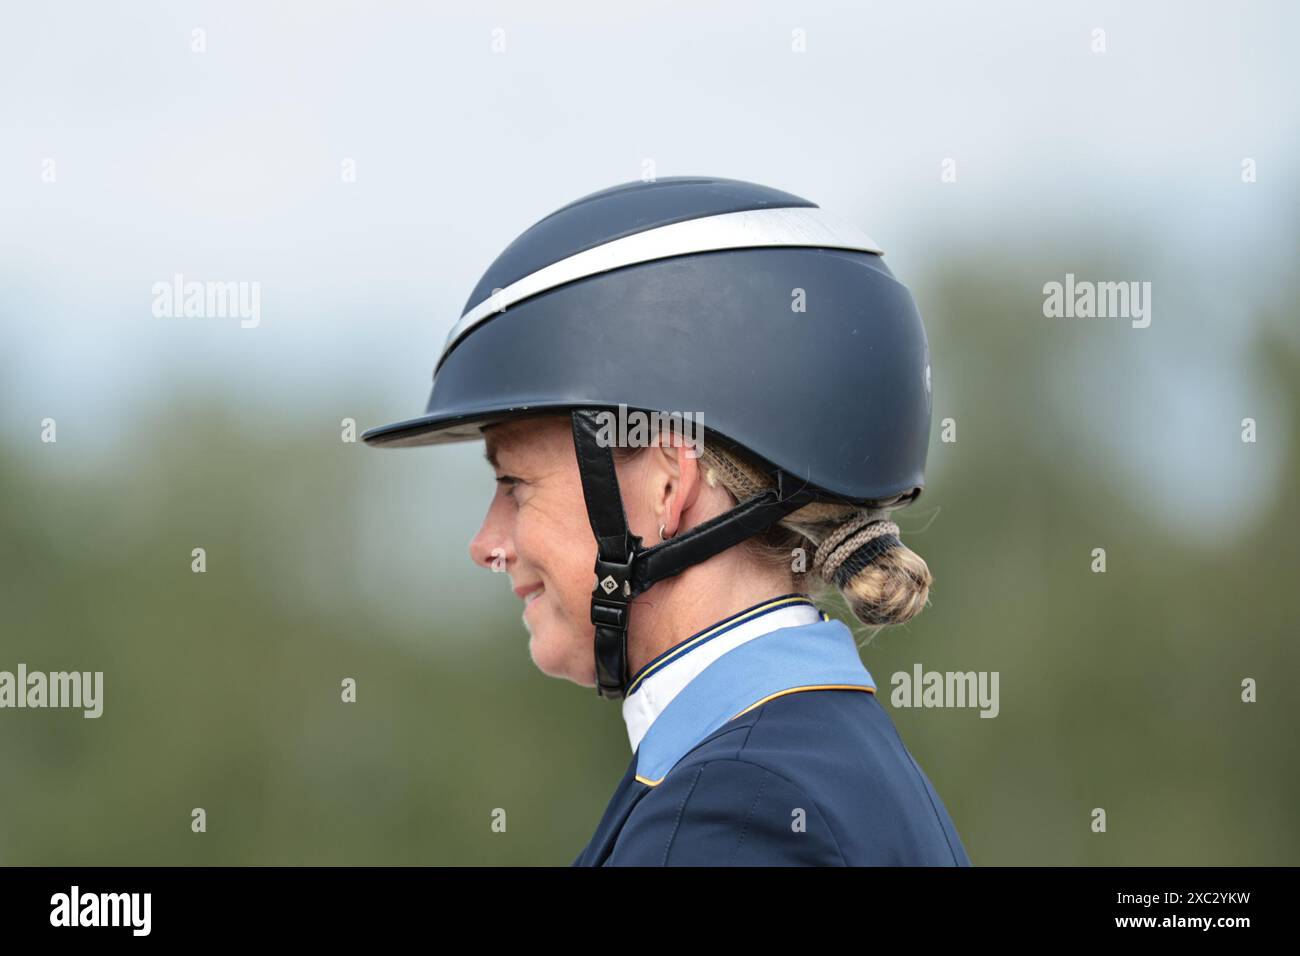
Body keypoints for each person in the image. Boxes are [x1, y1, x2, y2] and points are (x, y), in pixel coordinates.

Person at [364, 175, 971, 866]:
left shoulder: (734, 815)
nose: (486, 543)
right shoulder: (828, 762)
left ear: (666, 483)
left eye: (514, 484)